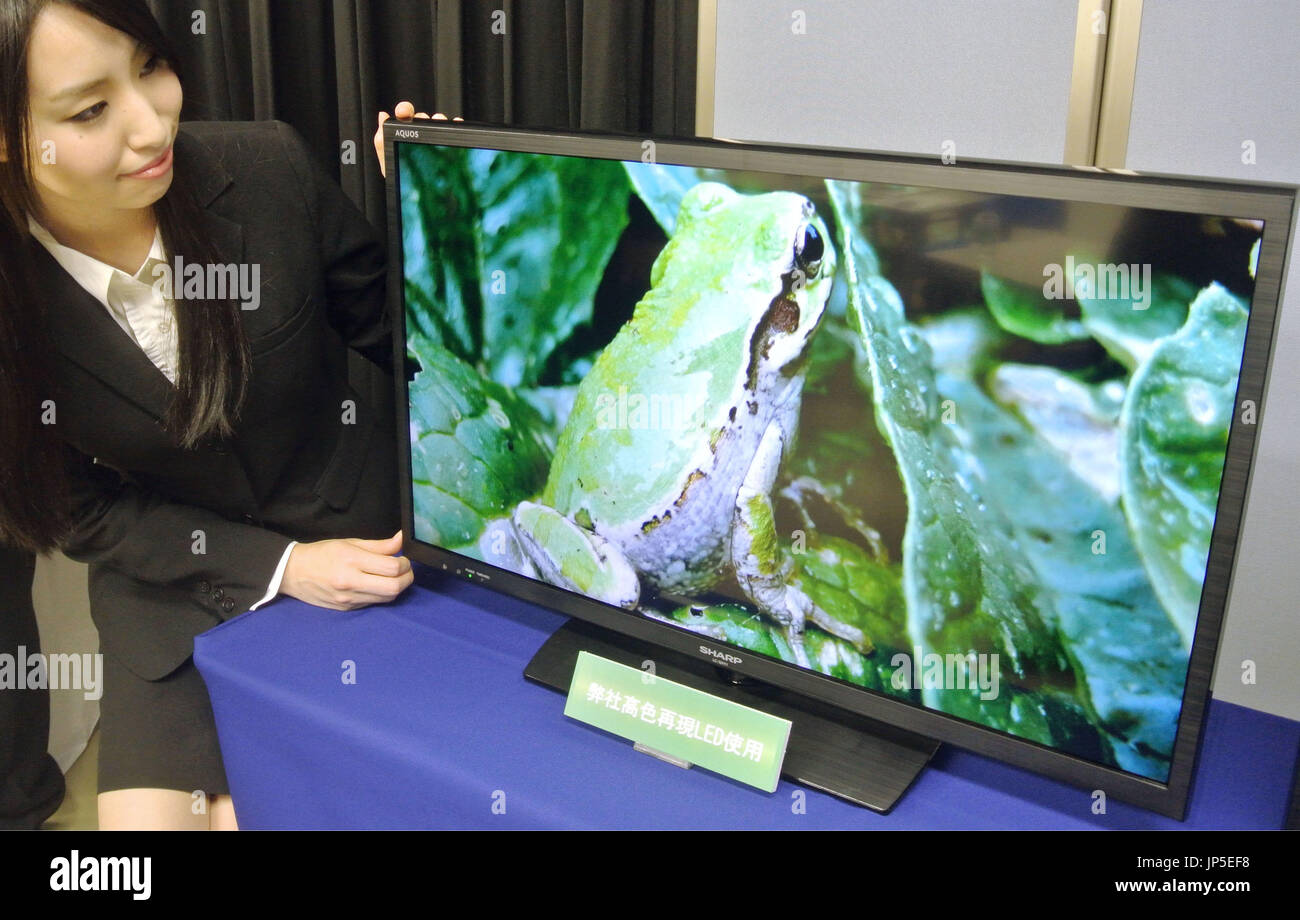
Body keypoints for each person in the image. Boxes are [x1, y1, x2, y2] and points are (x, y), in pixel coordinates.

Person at [0, 0, 419, 829]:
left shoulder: (265, 166)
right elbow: (76, 511)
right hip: (170, 588)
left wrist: (435, 199)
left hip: (353, 542)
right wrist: (277, 567)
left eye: (152, 67)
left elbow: (416, 352)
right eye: (90, 110)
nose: (152, 128)